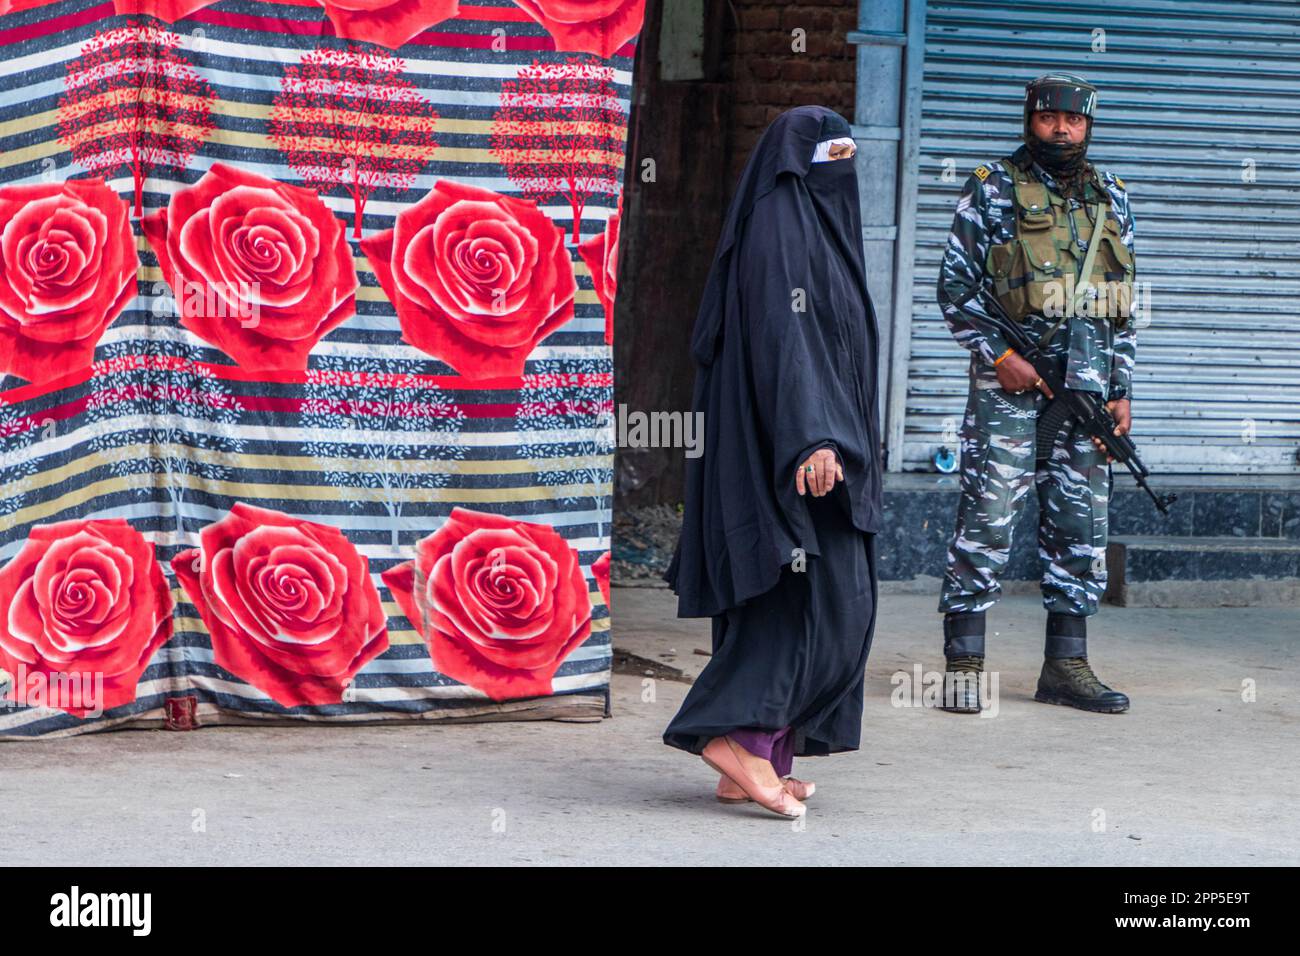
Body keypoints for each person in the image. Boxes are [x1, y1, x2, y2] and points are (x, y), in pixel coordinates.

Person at [662, 105, 884, 818]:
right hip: (794, 451)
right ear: (796, 164)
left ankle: (759, 755)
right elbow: (784, 341)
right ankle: (739, 740)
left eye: (850, 156)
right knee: (812, 599)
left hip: (816, 447)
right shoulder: (782, 227)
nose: (841, 174)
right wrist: (811, 437)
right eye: (830, 158)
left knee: (810, 600)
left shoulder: (816, 225)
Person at [935, 72, 1137, 714]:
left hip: (1084, 391)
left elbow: (1123, 311)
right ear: (1031, 120)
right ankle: (965, 666)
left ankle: (1066, 667)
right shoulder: (990, 189)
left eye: (1073, 121)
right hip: (1008, 390)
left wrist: (1120, 388)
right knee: (988, 521)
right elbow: (955, 289)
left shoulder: (1112, 198)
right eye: (1049, 118)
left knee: (1081, 525)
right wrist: (999, 355)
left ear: (1088, 126)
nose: (1061, 129)